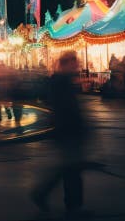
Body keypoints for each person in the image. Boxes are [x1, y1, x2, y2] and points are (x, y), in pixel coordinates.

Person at [31, 51, 91, 217]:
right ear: (66, 64)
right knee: (71, 169)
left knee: (69, 168)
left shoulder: (62, 81)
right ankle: (71, 205)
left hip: (68, 130)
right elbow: (66, 109)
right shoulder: (60, 82)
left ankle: (54, 198)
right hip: (68, 130)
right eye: (74, 63)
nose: (77, 65)